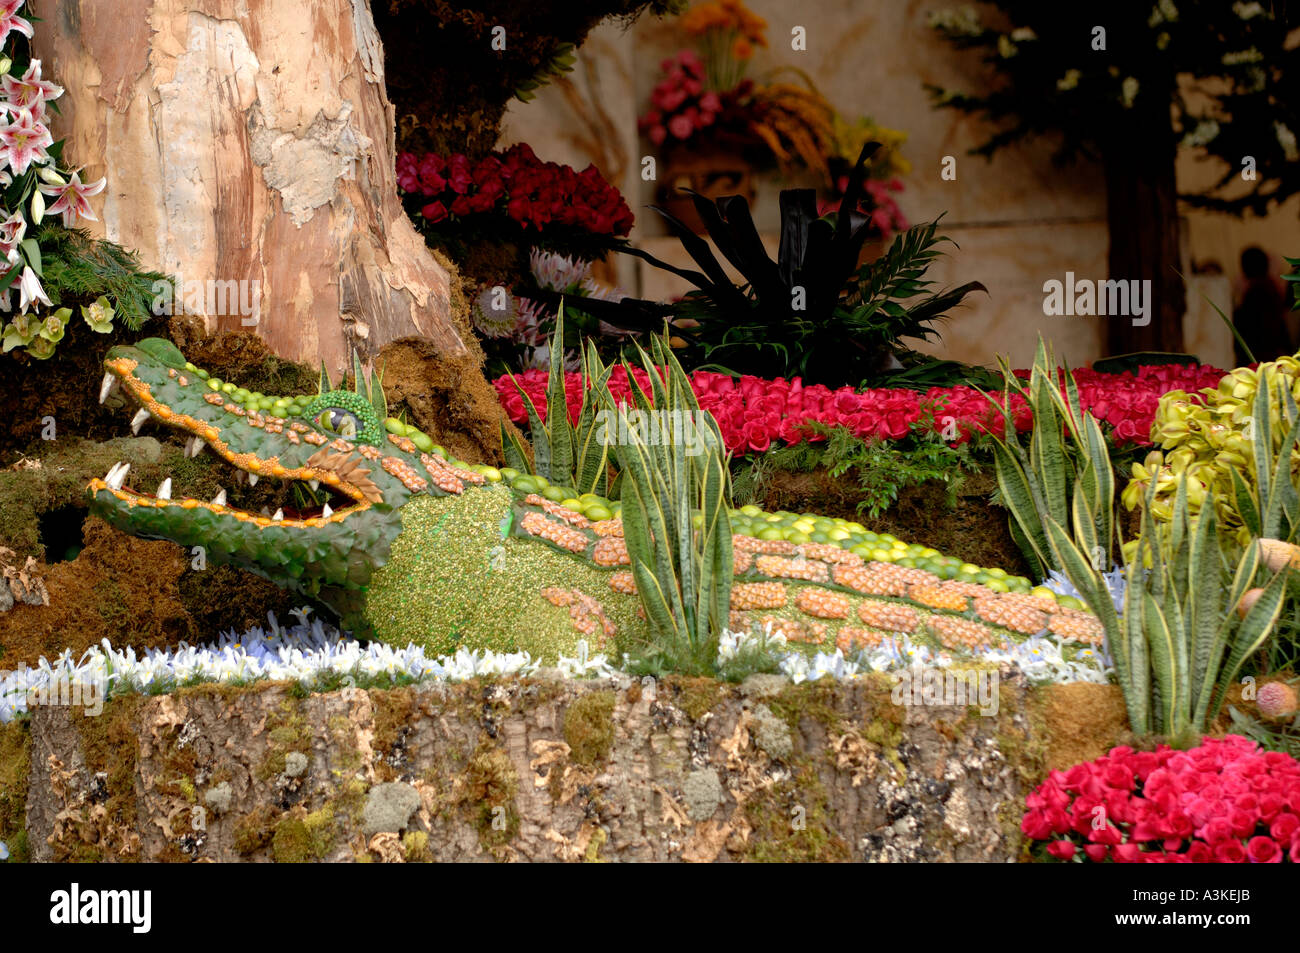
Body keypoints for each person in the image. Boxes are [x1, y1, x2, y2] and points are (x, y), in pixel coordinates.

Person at [1233, 246, 1290, 365]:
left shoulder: (1255, 292)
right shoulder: (1272, 288)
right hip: (1272, 355)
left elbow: (1247, 328)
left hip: (1259, 357)